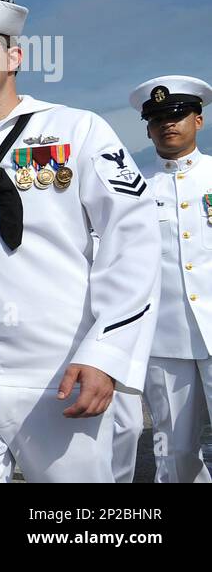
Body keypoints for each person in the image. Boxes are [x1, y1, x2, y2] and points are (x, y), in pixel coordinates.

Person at [0, 0, 160, 483]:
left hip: (62, 373)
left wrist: (105, 353)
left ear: (13, 59)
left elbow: (132, 239)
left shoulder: (76, 129)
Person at [128, 75, 212, 482]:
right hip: (164, 339)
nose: (168, 124)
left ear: (198, 119)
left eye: (177, 114)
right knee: (174, 450)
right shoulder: (132, 187)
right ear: (147, 127)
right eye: (158, 118)